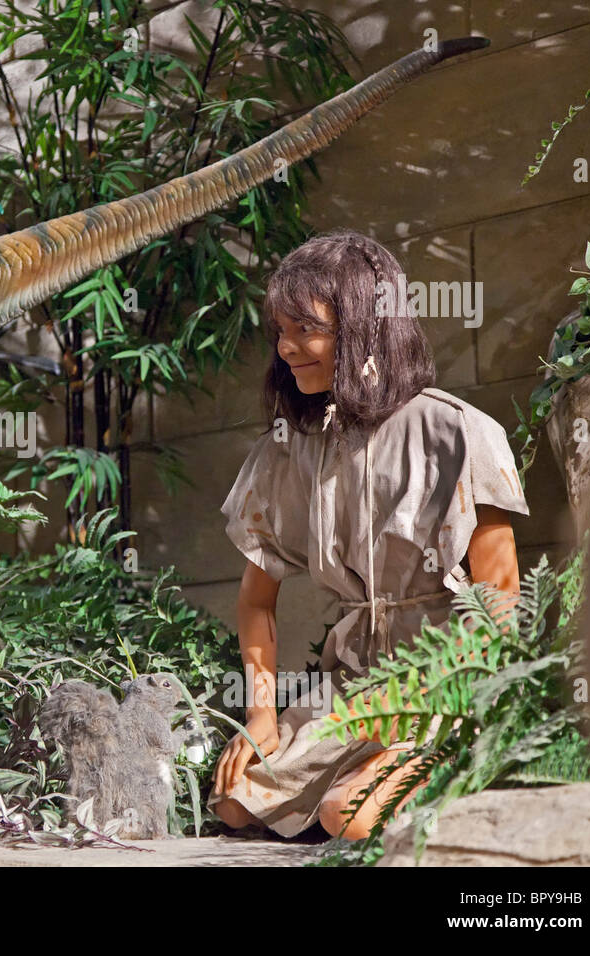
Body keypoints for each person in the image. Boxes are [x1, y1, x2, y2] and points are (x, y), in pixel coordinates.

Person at [207, 231, 529, 840]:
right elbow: (256, 599)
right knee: (233, 802)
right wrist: (262, 717)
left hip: (445, 683)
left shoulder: (455, 432)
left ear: (362, 327)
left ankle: (450, 775)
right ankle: (366, 782)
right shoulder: (289, 449)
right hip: (351, 689)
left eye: (306, 328)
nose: (287, 347)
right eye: (280, 330)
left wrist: (464, 704)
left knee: (346, 816)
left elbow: (502, 604)